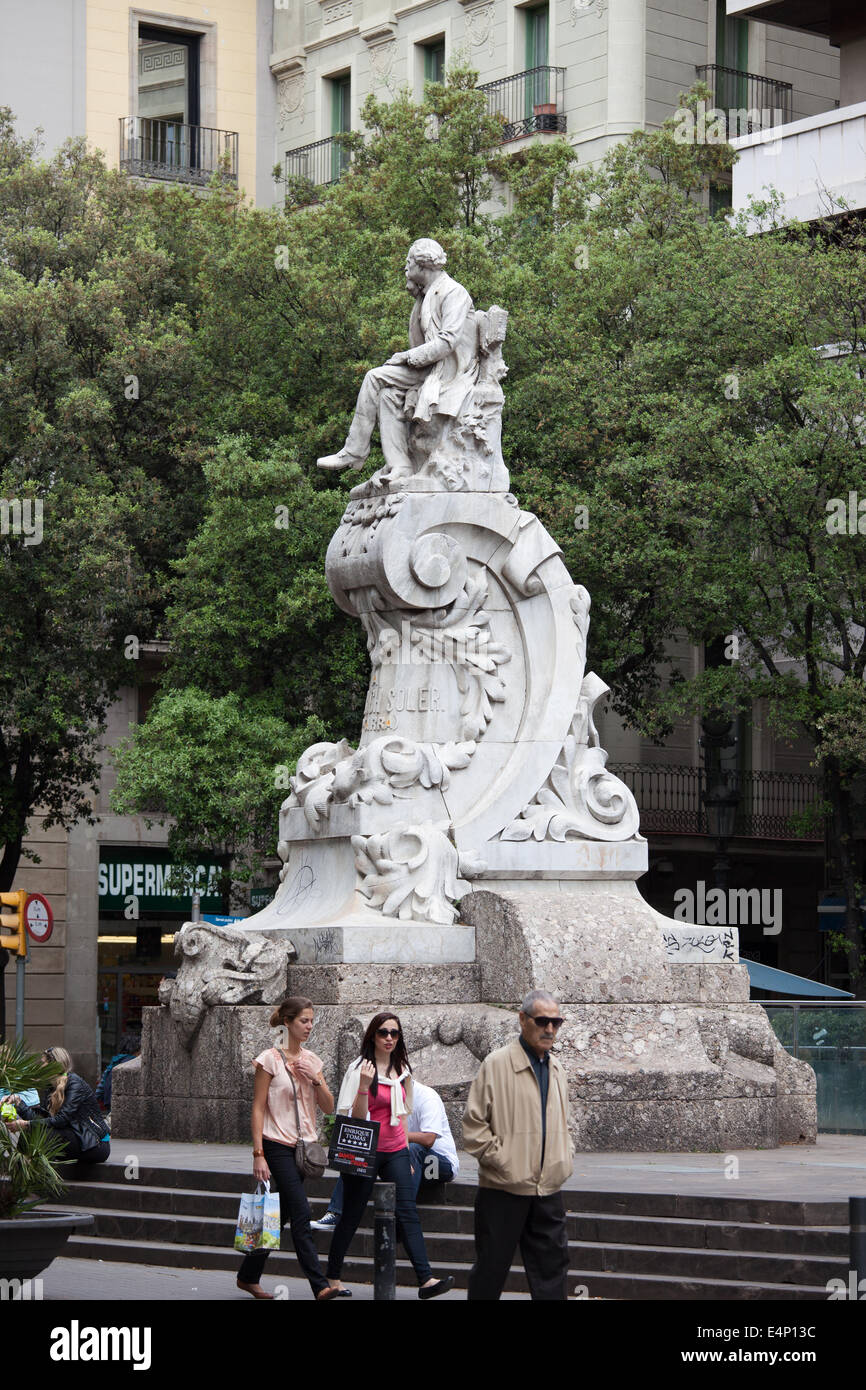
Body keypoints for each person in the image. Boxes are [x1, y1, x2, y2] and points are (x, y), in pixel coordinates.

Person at [317, 238, 477, 479]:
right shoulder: (427, 294)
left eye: (408, 263)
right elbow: (422, 337)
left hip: (449, 370)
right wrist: (416, 294)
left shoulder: (454, 292)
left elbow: (447, 342)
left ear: (422, 264)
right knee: (388, 395)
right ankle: (400, 465)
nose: (405, 269)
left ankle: (354, 451)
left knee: (374, 377)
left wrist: (407, 357)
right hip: (431, 367)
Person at [324, 1012, 454, 1299]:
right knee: (353, 1213)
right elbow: (355, 1118)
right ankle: (332, 1277)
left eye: (394, 1034)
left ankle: (426, 1280)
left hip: (396, 1149)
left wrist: (407, 1155)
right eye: (383, 1032)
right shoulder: (360, 1067)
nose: (389, 1038)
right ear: (372, 1035)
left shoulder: (402, 1069)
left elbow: (403, 1114)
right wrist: (363, 1086)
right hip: (366, 1150)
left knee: (407, 1211)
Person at [462, 990, 574, 1301]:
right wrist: (504, 1161)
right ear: (523, 1020)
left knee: (553, 1272)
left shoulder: (557, 1069)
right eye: (542, 1021)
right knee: (490, 1271)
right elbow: (473, 1127)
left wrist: (564, 1157)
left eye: (556, 1022)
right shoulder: (496, 1064)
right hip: (503, 1189)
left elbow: (563, 1123)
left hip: (547, 1188)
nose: (549, 1029)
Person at [237, 995, 339, 1301]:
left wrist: (315, 1080)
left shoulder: (312, 1060)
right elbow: (257, 1108)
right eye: (303, 1021)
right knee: (301, 1210)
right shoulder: (269, 1059)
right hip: (276, 1145)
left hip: (304, 1149)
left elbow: (329, 1107)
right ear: (287, 1022)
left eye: (311, 1020)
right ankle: (320, 1285)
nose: (309, 1026)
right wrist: (257, 1153)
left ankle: (247, 1276)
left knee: (276, 1217)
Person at [312, 1077, 458, 1230]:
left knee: (414, 1148)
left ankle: (402, 1217)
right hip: (402, 1162)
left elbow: (429, 1139)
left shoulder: (427, 1096)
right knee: (360, 1150)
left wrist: (392, 1137)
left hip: (438, 1166)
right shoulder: (381, 1096)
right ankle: (335, 1213)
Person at [6, 1046, 110, 1163]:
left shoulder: (75, 1084)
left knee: (40, 1133)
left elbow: (61, 1120)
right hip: (70, 1137)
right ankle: (22, 1173)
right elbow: (42, 1120)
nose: (41, 1067)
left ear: (53, 1066)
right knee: (33, 1130)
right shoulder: (51, 1087)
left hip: (94, 1144)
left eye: (43, 1063)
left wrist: (27, 1124)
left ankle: (35, 1175)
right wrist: (19, 1103)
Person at [95, 1032, 141, 1112]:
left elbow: (99, 1092)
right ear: (137, 1049)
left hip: (110, 1107)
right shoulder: (135, 1064)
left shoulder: (114, 1063)